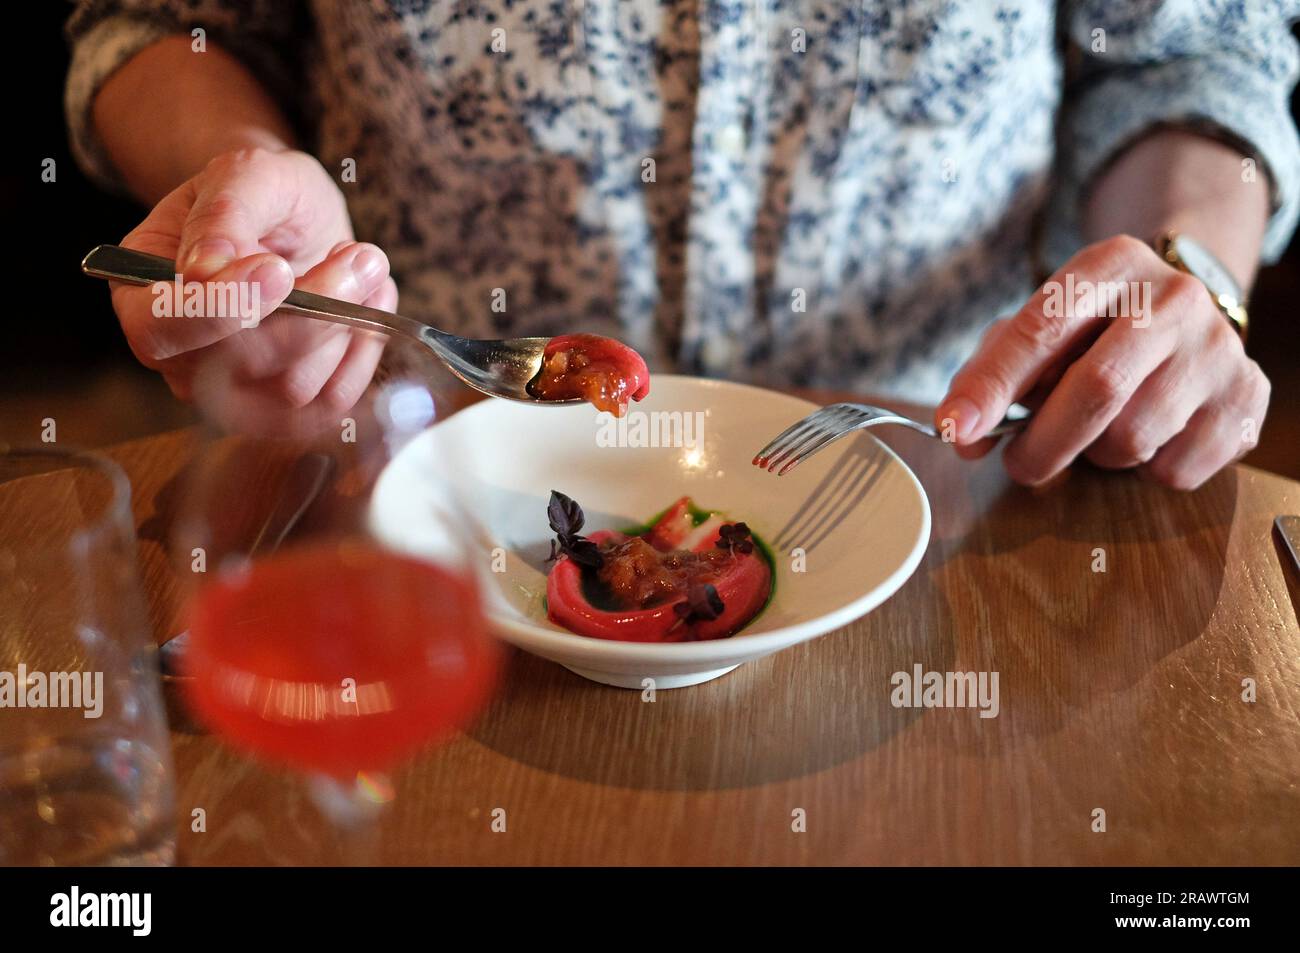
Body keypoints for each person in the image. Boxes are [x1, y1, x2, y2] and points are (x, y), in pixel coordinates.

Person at [66, 1, 1299, 488]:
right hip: (409, 479)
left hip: (945, 480)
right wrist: (242, 198)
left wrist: (1186, 266)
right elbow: (164, 22)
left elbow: (1192, 48)